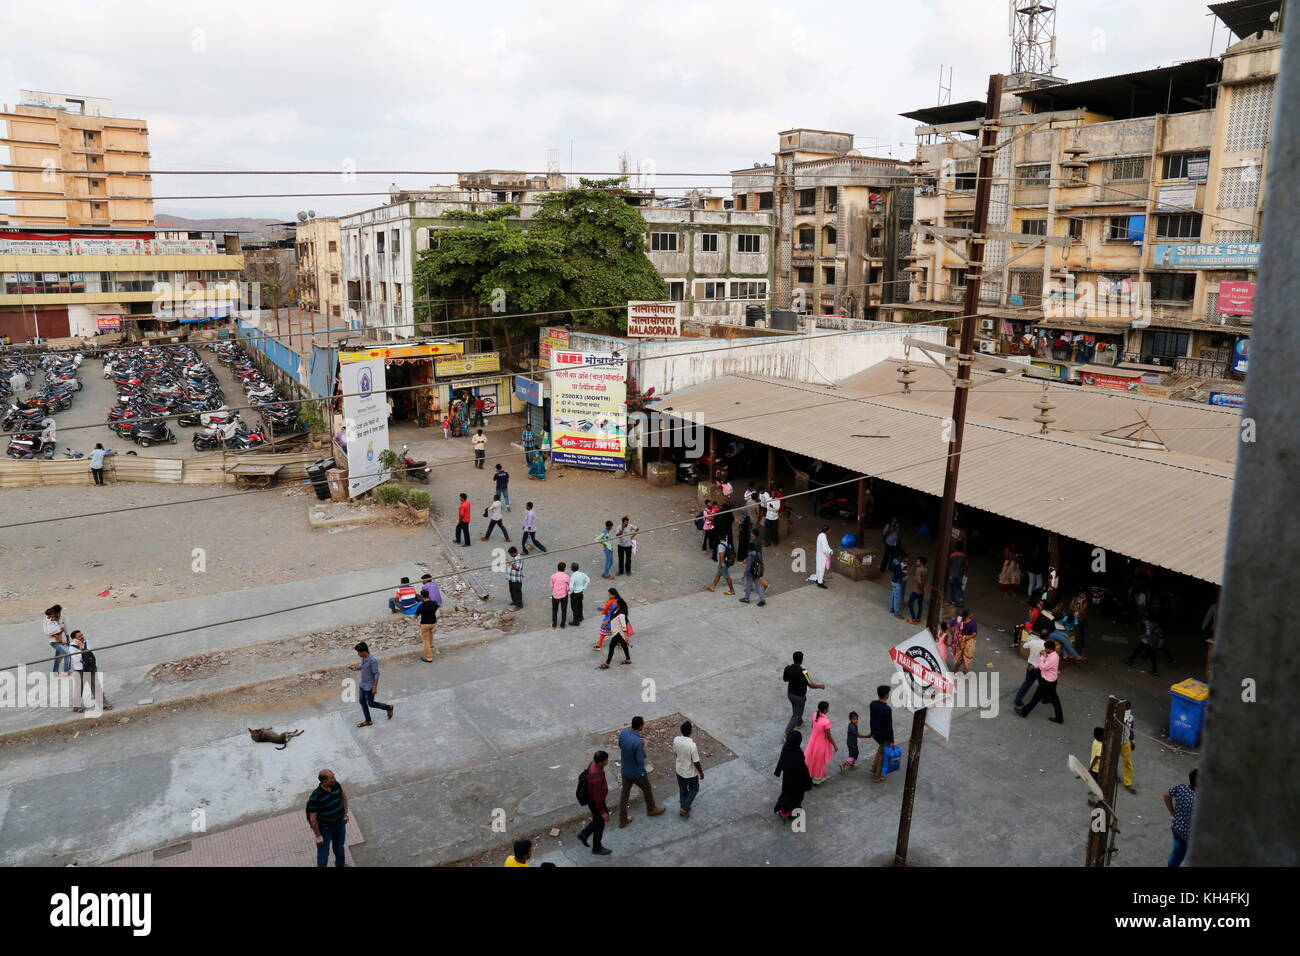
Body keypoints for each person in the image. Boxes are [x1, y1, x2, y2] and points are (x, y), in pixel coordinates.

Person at [617, 716, 665, 826]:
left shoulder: (624, 733)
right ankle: (651, 809)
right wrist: (644, 746)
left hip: (625, 770)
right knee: (647, 789)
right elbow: (640, 759)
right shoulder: (638, 743)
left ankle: (622, 819)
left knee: (624, 794)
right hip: (637, 773)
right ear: (640, 726)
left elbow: (620, 745)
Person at [306, 769, 349, 868]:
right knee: (323, 855)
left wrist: (345, 814)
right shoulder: (316, 797)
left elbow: (344, 798)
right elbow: (313, 819)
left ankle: (340, 865)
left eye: (333, 776)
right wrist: (318, 836)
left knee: (339, 848)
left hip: (340, 824)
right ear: (323, 781)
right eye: (332, 778)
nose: (334, 779)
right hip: (325, 829)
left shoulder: (336, 785)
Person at [1016, 638, 1063, 723]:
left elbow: (1043, 667)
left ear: (1051, 649)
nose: (1045, 650)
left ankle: (1024, 712)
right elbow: (1044, 663)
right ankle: (1059, 717)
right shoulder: (1053, 655)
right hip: (1052, 681)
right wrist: (1036, 666)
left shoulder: (1052, 658)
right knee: (1055, 699)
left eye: (1046, 649)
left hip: (1047, 682)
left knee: (1035, 698)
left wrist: (1041, 657)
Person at [576, 751, 613, 855]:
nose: (607, 761)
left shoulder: (593, 763)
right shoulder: (596, 779)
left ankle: (584, 834)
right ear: (601, 762)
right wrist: (603, 812)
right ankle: (597, 848)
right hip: (596, 802)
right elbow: (597, 799)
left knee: (597, 821)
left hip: (595, 800)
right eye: (606, 760)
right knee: (600, 824)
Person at [351, 642, 394, 727]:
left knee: (371, 704)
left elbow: (376, 674)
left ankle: (388, 707)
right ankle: (368, 720)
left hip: (369, 687)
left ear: (363, 651)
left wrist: (374, 688)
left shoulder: (372, 661)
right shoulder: (363, 658)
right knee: (362, 701)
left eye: (358, 652)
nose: (358, 654)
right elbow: (364, 668)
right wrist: (357, 668)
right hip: (362, 685)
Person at [773, 729, 813, 821]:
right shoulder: (797, 753)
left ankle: (782, 809)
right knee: (796, 797)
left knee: (786, 794)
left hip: (787, 778)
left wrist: (778, 771)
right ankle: (789, 812)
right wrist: (808, 782)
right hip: (797, 780)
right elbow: (803, 769)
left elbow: (781, 760)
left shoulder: (786, 747)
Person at [782, 651, 825, 734]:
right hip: (799, 697)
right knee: (797, 715)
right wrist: (820, 686)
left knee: (796, 708)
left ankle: (799, 723)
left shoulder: (787, 668)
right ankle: (787, 733)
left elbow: (785, 680)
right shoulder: (804, 671)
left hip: (790, 694)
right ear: (801, 660)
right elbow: (810, 685)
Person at [69, 631, 111, 713]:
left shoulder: (87, 642)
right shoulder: (72, 647)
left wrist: (83, 650)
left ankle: (104, 704)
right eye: (79, 636)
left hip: (90, 668)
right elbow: (76, 659)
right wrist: (81, 649)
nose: (82, 637)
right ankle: (77, 707)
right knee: (79, 689)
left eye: (82, 635)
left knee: (96, 686)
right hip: (79, 670)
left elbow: (91, 653)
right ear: (75, 639)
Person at [1163, 769, 1197, 867]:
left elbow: (1166, 795)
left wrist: (1173, 813)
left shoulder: (1181, 788)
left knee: (1177, 854)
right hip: (1191, 836)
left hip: (1177, 830)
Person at [673, 720, 704, 817]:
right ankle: (685, 807)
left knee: (683, 789)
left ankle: (683, 805)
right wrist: (701, 773)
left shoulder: (676, 740)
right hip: (690, 773)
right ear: (690, 732)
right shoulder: (692, 745)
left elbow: (676, 753)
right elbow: (696, 762)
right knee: (694, 789)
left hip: (679, 770)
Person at [803, 701, 837, 785]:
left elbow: (812, 726)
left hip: (813, 739)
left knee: (812, 757)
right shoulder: (826, 722)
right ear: (825, 710)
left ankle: (810, 774)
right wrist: (835, 745)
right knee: (819, 760)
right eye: (828, 707)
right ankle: (817, 778)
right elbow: (828, 736)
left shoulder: (815, 714)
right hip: (821, 742)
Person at [868, 685, 895, 783]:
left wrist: (872, 732)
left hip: (876, 733)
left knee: (880, 749)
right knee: (882, 756)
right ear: (886, 695)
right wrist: (891, 741)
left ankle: (873, 767)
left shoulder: (873, 704)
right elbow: (889, 726)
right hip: (884, 736)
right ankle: (877, 776)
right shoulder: (887, 709)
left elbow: (872, 719)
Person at [1014, 628, 1047, 709]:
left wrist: (1030, 639)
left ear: (1039, 634)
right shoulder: (1047, 646)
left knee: (1027, 683)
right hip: (1040, 667)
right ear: (1047, 637)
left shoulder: (1034, 642)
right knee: (1043, 684)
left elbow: (1025, 646)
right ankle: (1045, 698)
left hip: (1031, 665)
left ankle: (1018, 700)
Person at [599, 590, 632, 668]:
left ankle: (607, 663)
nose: (615, 603)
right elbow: (613, 617)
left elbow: (624, 626)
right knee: (624, 645)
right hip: (616, 631)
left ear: (619, 605)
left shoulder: (622, 614)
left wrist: (626, 637)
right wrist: (608, 621)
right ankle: (628, 659)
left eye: (616, 602)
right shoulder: (616, 610)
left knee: (611, 647)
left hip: (618, 632)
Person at [44, 606, 72, 676]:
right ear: (53, 613)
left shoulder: (62, 618)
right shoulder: (47, 620)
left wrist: (68, 639)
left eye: (59, 613)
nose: (59, 615)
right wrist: (58, 630)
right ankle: (66, 671)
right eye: (57, 613)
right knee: (67, 653)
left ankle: (55, 672)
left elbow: (66, 629)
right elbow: (46, 632)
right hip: (54, 641)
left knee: (58, 657)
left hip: (64, 640)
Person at [739, 542, 767, 606]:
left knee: (748, 585)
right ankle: (762, 599)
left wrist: (744, 575)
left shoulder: (750, 555)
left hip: (751, 573)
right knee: (759, 586)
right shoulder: (758, 553)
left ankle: (746, 599)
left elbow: (748, 567)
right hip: (757, 571)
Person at [952, 609, 978, 675]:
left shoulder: (973, 622)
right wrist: (953, 634)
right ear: (967, 616)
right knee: (959, 656)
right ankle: (955, 672)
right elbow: (949, 625)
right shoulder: (960, 620)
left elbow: (974, 633)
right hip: (961, 641)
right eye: (971, 614)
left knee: (966, 658)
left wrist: (967, 637)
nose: (972, 615)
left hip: (968, 643)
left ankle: (964, 672)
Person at [416, 589, 440, 662]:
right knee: (430, 632)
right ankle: (431, 644)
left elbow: (416, 615)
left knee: (425, 640)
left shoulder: (421, 606)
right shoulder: (434, 603)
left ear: (422, 596)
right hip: (433, 623)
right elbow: (437, 608)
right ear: (428, 595)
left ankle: (429, 658)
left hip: (425, 624)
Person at [808, 525, 832, 589]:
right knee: (821, 569)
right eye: (829, 530)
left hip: (819, 555)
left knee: (818, 568)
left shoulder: (820, 535)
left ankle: (818, 579)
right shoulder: (824, 538)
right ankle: (820, 583)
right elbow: (825, 549)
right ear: (827, 531)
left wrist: (829, 550)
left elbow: (826, 546)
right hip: (822, 556)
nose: (830, 531)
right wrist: (829, 553)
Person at [906, 556, 928, 625]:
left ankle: (913, 619)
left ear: (921, 563)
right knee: (920, 605)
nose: (916, 562)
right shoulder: (926, 569)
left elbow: (919, 581)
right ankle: (918, 619)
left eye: (917, 561)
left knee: (910, 603)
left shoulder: (919, 569)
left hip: (916, 590)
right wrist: (923, 589)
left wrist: (922, 588)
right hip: (921, 592)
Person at [1121, 702, 1137, 794]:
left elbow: (1131, 729)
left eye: (1129, 709)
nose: (1128, 710)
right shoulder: (1115, 716)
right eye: (1127, 708)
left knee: (1127, 762)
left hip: (1125, 742)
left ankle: (1128, 783)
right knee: (1112, 760)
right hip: (1115, 741)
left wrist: (1132, 741)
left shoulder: (1130, 718)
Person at [550, 562, 570, 629]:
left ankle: (554, 623)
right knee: (564, 609)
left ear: (557, 567)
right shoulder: (566, 576)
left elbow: (552, 586)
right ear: (564, 568)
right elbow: (569, 584)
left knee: (554, 610)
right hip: (564, 595)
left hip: (555, 595)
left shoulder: (553, 576)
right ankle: (563, 624)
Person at [888, 550, 908, 615]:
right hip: (897, 581)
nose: (907, 559)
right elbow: (898, 574)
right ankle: (897, 612)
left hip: (893, 580)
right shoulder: (899, 564)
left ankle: (892, 608)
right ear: (902, 557)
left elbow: (892, 569)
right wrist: (904, 573)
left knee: (894, 595)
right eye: (906, 558)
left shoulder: (894, 560)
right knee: (898, 597)